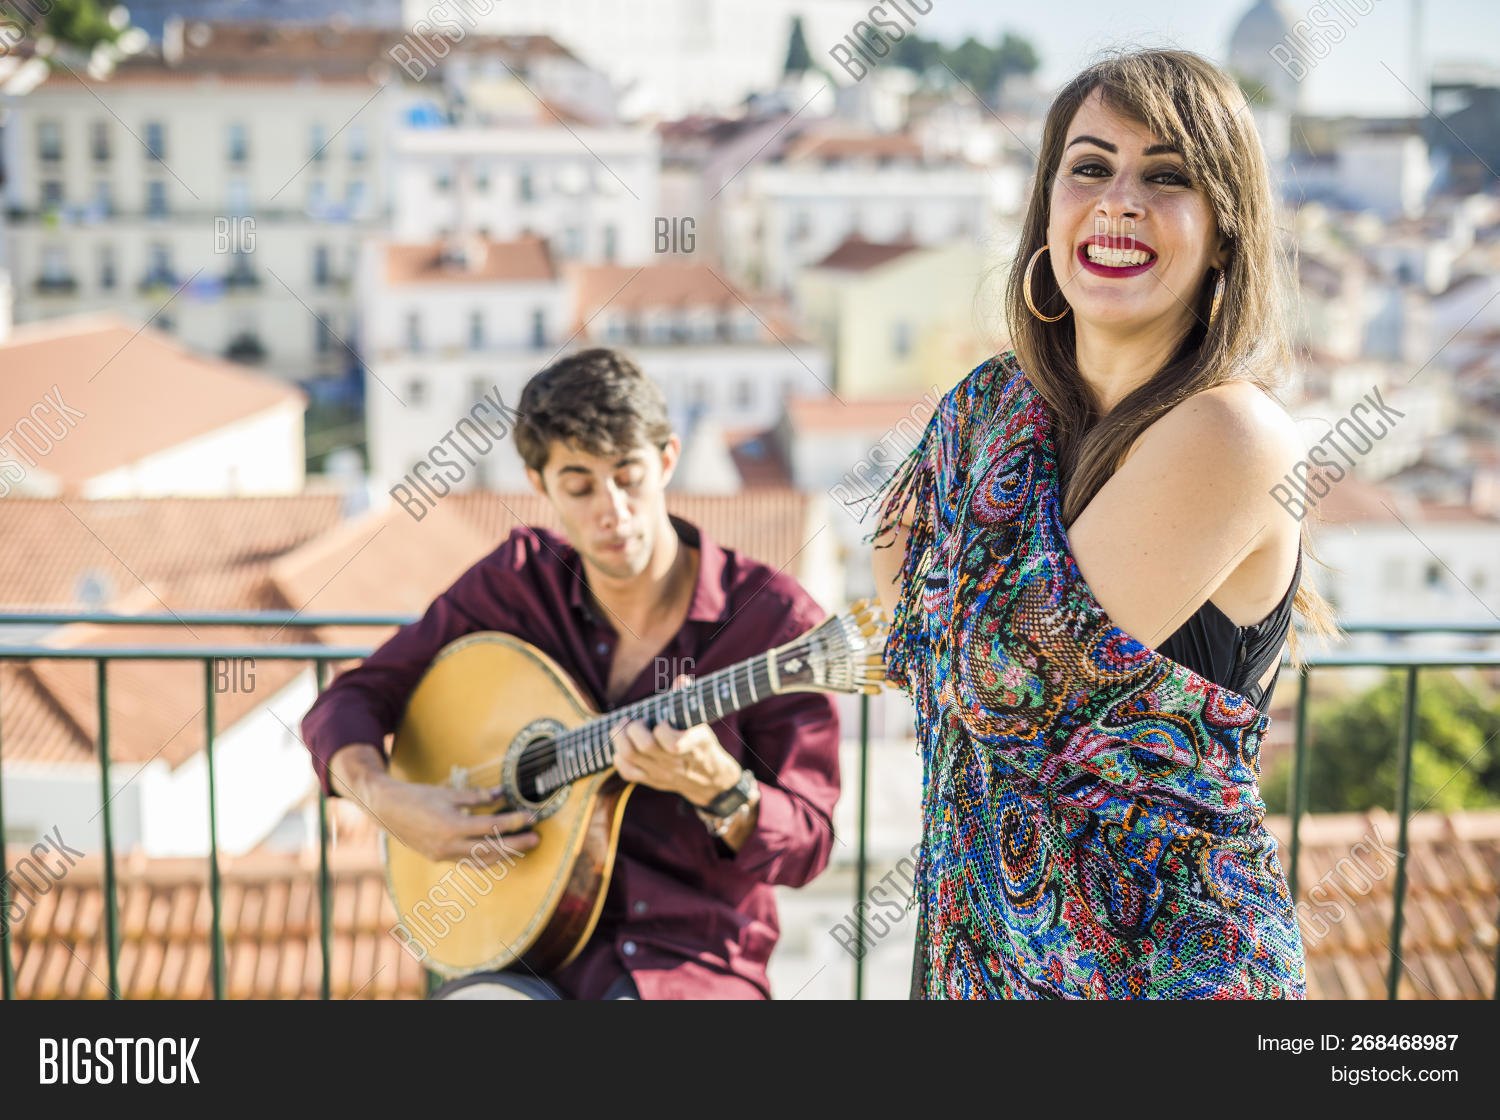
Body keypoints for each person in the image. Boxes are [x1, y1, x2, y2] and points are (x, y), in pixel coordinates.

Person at [869, 49, 1333, 999]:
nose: (1120, 200)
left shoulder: (1232, 434)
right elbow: (906, 630)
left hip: (1164, 972)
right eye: (1090, 167)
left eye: (1167, 177)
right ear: (1048, 208)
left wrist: (941, 590)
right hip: (979, 959)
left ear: (1223, 236)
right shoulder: (995, 398)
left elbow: (1000, 678)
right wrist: (940, 613)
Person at [302, 348, 840, 999]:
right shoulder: (516, 586)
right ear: (540, 484)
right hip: (516, 940)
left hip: (690, 960)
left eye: (629, 476)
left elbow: (809, 845)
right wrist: (388, 801)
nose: (611, 510)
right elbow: (351, 699)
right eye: (580, 486)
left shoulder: (772, 623)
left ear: (667, 460)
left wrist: (723, 789)